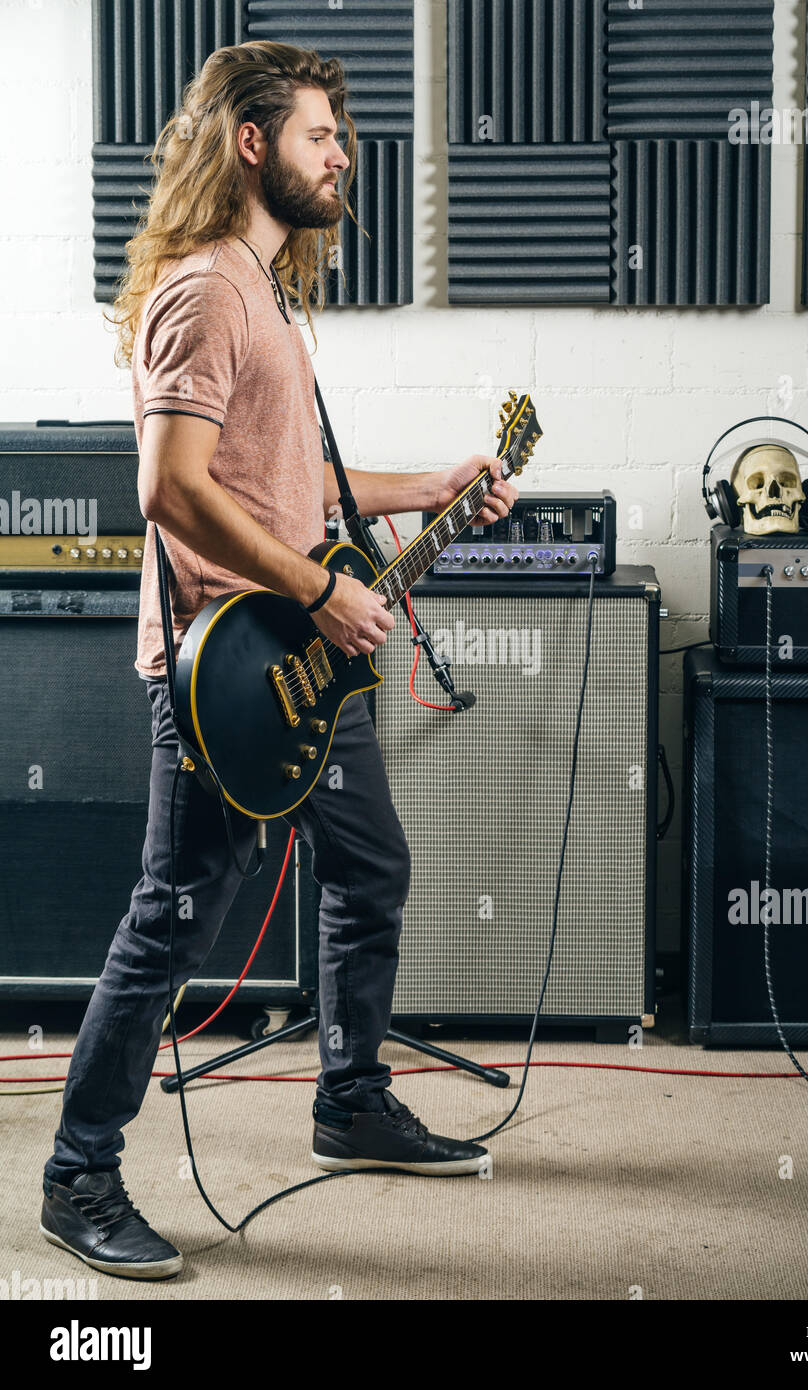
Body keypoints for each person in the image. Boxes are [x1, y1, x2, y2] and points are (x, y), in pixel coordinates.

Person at [40, 40, 518, 1281]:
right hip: (230, 675)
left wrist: (434, 489)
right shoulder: (206, 290)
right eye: (320, 135)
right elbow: (169, 489)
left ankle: (350, 1097)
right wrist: (320, 590)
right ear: (251, 144)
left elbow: (290, 492)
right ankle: (78, 1172)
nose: (342, 154)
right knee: (174, 920)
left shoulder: (271, 297)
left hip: (306, 660)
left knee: (372, 868)